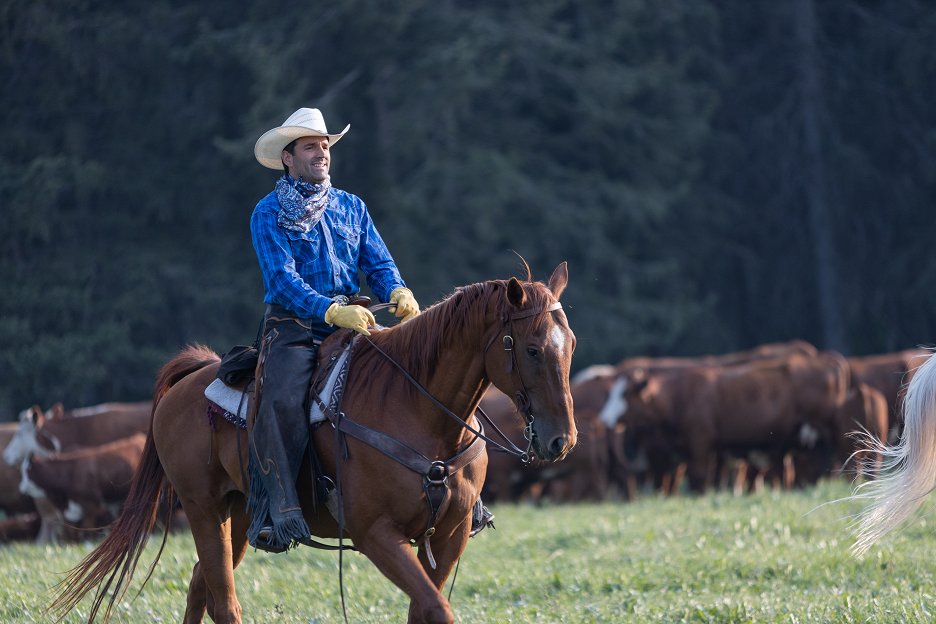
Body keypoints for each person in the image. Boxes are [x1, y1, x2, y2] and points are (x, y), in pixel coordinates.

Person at [247, 107, 421, 552]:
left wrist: (398, 290)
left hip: (355, 323)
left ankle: (449, 494)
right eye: (311, 146)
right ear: (288, 157)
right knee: (282, 399)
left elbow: (378, 262)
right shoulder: (266, 214)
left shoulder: (351, 206)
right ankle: (279, 511)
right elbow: (282, 279)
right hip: (294, 330)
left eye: (325, 145)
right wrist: (328, 310)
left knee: (413, 380)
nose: (321, 152)